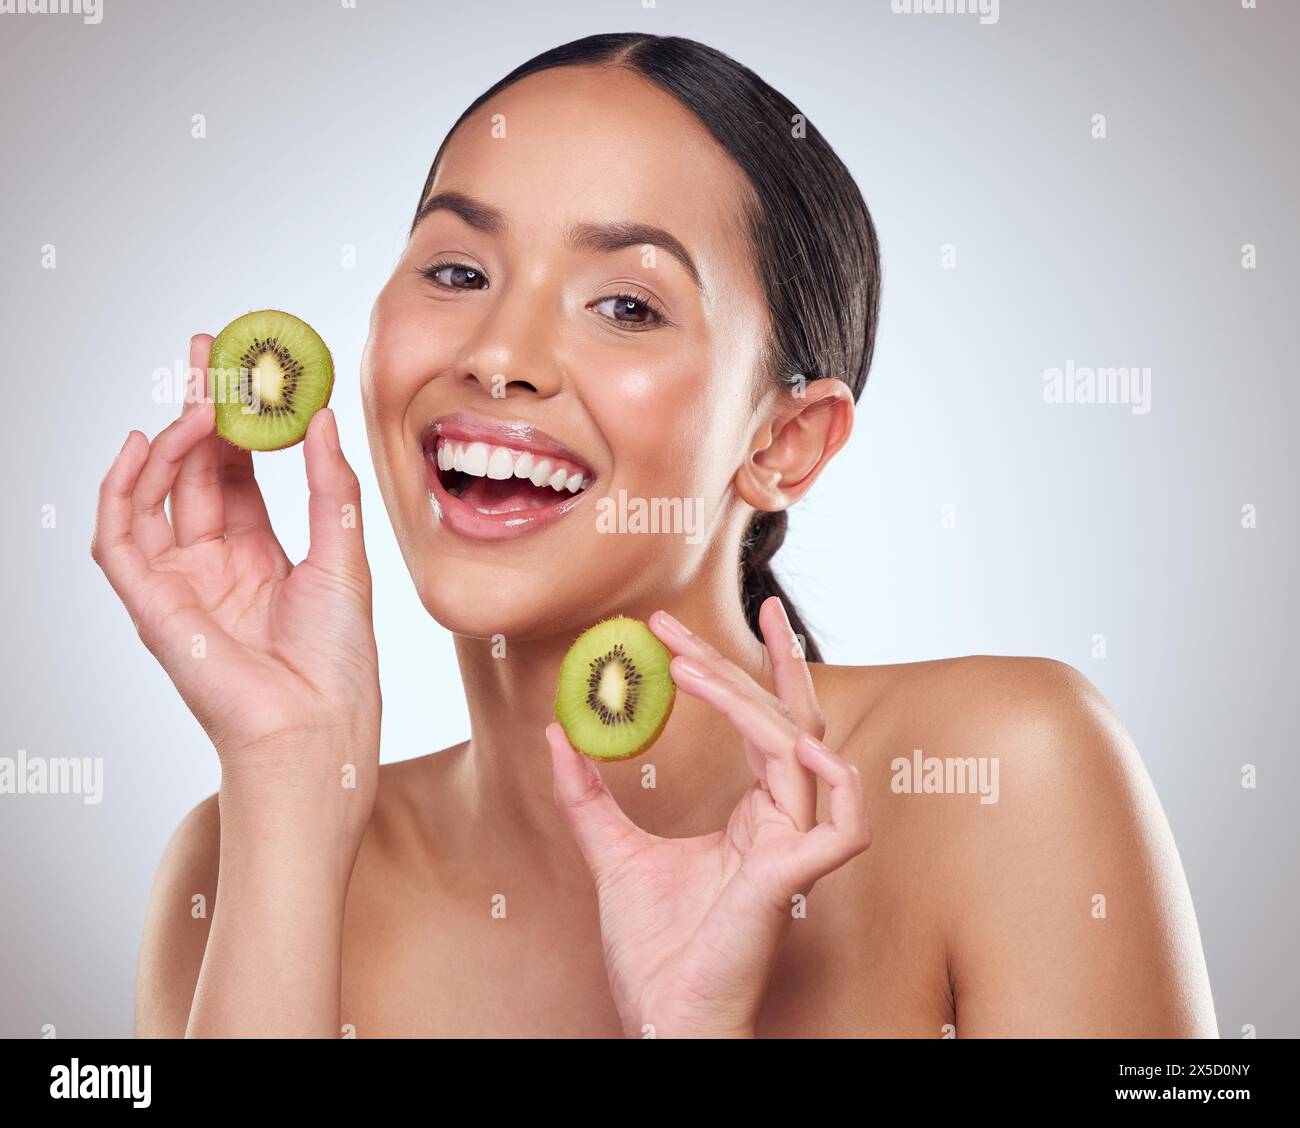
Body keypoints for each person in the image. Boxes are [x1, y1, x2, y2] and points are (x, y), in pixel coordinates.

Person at [93, 33, 1217, 1038]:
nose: (497, 353)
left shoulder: (1002, 773)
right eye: (456, 270)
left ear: (785, 442)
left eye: (625, 304)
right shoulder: (238, 858)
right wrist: (289, 777)